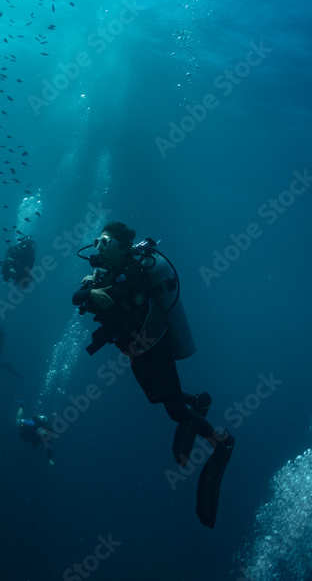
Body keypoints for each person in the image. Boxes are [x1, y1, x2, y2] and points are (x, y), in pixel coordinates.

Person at [72, 221, 233, 527]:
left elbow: (113, 293)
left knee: (173, 408)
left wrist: (93, 291)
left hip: (153, 343)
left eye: (105, 242)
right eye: (99, 242)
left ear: (121, 247)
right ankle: (198, 401)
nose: (99, 247)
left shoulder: (131, 274)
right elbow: (77, 297)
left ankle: (220, 441)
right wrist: (92, 291)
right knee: (154, 396)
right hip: (135, 347)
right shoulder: (106, 274)